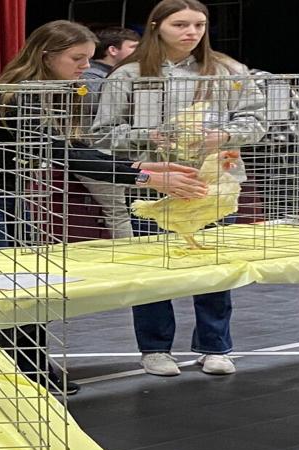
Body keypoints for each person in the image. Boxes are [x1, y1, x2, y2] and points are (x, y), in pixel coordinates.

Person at [0, 19, 209, 396]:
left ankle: (28, 369)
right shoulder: (17, 95)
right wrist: (146, 179)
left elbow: (72, 149)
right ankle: (1, 374)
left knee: (22, 290)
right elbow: (63, 153)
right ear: (46, 55)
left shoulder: (40, 91)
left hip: (5, 201)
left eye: (89, 58)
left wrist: (143, 167)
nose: (85, 66)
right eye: (76, 57)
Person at [89, 0, 268, 376]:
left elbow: (256, 121)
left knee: (214, 268)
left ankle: (215, 346)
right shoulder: (130, 75)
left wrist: (225, 133)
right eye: (180, 25)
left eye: (199, 25)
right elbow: (103, 135)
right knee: (155, 270)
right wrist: (148, 135)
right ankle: (155, 348)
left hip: (215, 187)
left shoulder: (228, 70)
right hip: (154, 186)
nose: (192, 32)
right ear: (156, 26)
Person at [78, 25, 141, 239]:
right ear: (113, 50)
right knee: (118, 211)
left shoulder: (110, 76)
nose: (139, 52)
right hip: (93, 150)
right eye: (133, 47)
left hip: (109, 151)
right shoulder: (92, 79)